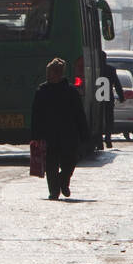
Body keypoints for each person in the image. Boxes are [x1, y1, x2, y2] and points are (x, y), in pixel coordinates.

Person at [31, 57, 90, 199]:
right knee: (51, 164)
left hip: (68, 134)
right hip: (49, 134)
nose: (50, 75)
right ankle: (54, 191)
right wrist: (35, 135)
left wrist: (84, 134)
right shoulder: (42, 91)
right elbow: (36, 114)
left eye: (52, 72)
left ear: (59, 73)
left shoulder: (71, 91)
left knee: (69, 161)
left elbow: (79, 114)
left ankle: (63, 182)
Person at [100, 52, 125, 149]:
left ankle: (99, 139)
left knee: (99, 117)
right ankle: (108, 138)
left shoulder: (95, 68)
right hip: (108, 96)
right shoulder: (110, 69)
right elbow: (117, 84)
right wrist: (121, 96)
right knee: (109, 118)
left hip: (96, 97)